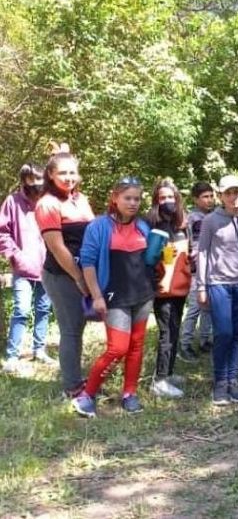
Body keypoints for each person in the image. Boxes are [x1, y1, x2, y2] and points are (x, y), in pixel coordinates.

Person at [71, 177, 153, 417]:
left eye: (137, 199)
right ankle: (87, 395)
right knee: (117, 348)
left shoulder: (142, 225)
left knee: (136, 346)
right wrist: (96, 296)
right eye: (127, 198)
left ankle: (130, 393)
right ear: (114, 198)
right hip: (113, 296)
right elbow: (88, 264)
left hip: (142, 294)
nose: (133, 203)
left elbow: (148, 259)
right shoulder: (98, 226)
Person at [35, 143, 95, 398]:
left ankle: (75, 376)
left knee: (80, 327)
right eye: (63, 173)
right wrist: (79, 278)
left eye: (73, 173)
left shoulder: (80, 199)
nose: (69, 178)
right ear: (51, 174)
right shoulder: (47, 204)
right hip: (62, 275)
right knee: (70, 329)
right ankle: (72, 387)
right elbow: (58, 248)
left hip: (84, 272)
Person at [197, 175, 238, 406]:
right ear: (221, 195)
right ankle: (220, 381)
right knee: (223, 332)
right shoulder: (211, 220)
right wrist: (202, 286)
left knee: (237, 334)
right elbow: (203, 252)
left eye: (237, 192)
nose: (234, 197)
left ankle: (234, 379)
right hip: (218, 282)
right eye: (229, 193)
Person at [0, 163, 55, 375]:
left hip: (47, 268)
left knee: (43, 310)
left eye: (40, 180)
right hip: (23, 269)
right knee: (21, 310)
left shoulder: (48, 202)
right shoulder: (12, 202)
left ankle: (39, 350)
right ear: (24, 181)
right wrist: (15, 255)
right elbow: (3, 233)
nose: (37, 185)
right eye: (32, 180)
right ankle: (12, 356)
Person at [146, 178, 191, 399]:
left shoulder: (182, 223)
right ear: (156, 201)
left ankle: (169, 372)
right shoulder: (150, 224)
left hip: (180, 286)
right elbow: (146, 258)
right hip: (161, 289)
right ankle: (160, 380)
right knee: (166, 333)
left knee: (175, 330)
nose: (167, 201)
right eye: (162, 198)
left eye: (170, 197)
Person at [179, 181, 215, 362]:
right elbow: (193, 245)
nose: (209, 200)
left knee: (208, 307)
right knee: (195, 307)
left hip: (213, 268)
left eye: (211, 196)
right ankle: (185, 344)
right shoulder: (193, 218)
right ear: (196, 199)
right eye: (205, 197)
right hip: (197, 270)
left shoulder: (213, 215)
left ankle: (204, 340)